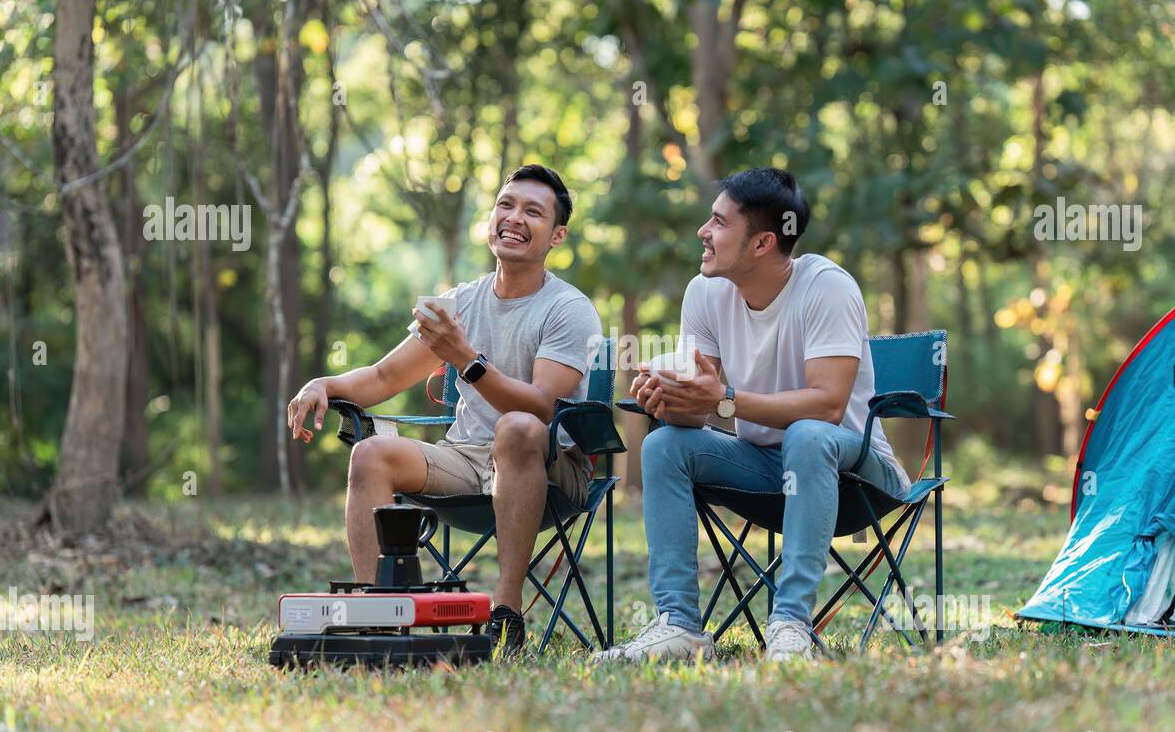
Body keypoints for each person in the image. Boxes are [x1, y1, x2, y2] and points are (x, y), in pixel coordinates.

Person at [597, 167, 909, 664]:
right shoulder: (705, 292)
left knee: (808, 435)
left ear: (763, 243)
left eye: (719, 223)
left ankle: (790, 625)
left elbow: (828, 405)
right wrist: (670, 399)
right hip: (764, 472)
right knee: (662, 445)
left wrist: (721, 400)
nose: (703, 231)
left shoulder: (827, 287)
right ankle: (677, 625)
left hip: (853, 476)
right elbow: (704, 406)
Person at [287, 164, 601, 655]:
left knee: (516, 428)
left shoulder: (569, 308)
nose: (514, 218)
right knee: (370, 453)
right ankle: (379, 615)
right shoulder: (459, 304)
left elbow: (541, 407)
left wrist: (466, 361)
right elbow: (383, 379)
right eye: (506, 204)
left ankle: (506, 611)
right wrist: (322, 383)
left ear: (556, 235)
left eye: (533, 212)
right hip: (467, 460)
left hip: (548, 465)